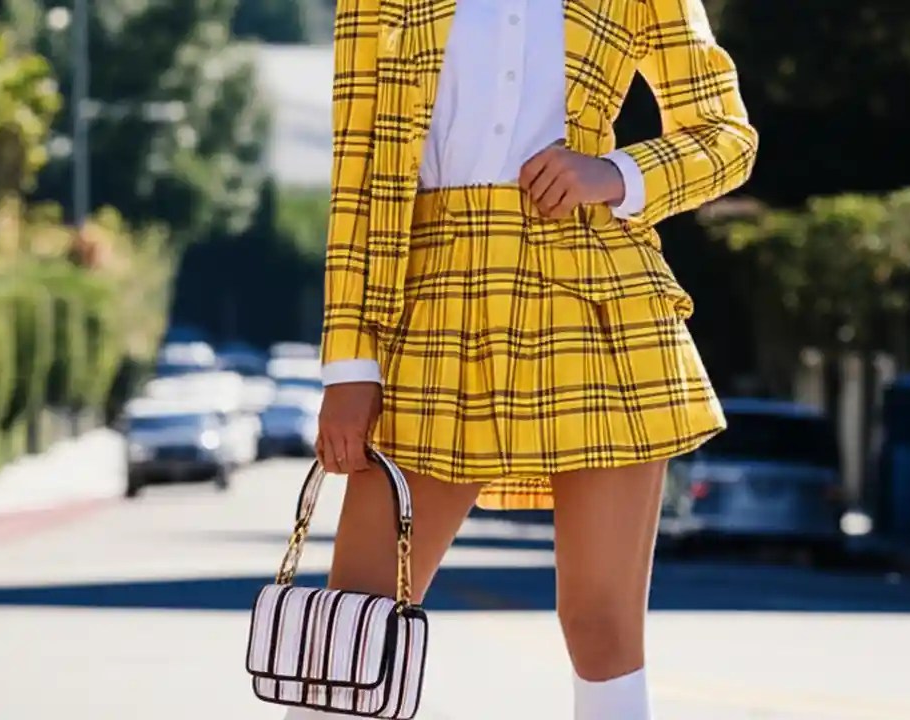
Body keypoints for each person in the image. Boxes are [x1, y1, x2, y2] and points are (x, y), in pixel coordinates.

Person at [302, 0, 757, 716]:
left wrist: (614, 172)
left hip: (596, 305)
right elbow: (358, 179)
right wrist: (350, 366)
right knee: (356, 616)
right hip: (434, 302)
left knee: (601, 626)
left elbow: (727, 136)